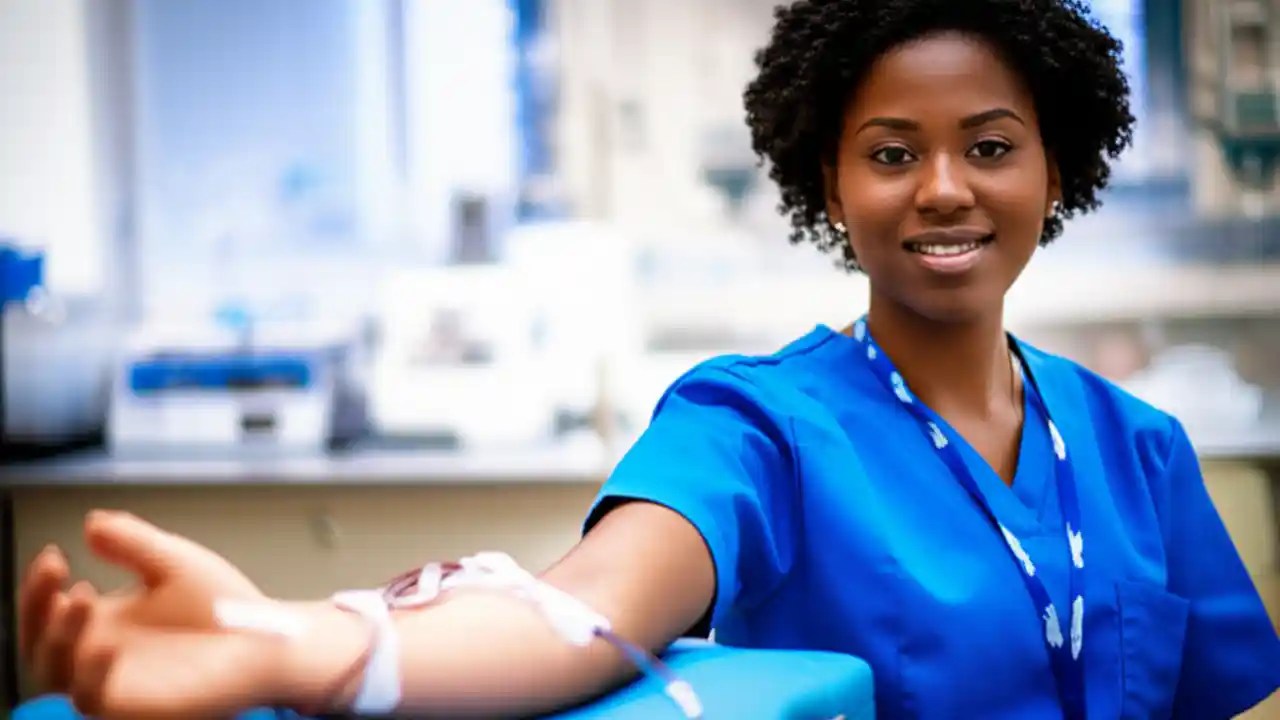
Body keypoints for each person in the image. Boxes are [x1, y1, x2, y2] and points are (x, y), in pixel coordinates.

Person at [17, 0, 1280, 717]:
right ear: (828, 186)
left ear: (1055, 170)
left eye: (989, 147)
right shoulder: (756, 425)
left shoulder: (1138, 446)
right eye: (891, 152)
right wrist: (298, 645)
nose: (942, 187)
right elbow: (579, 612)